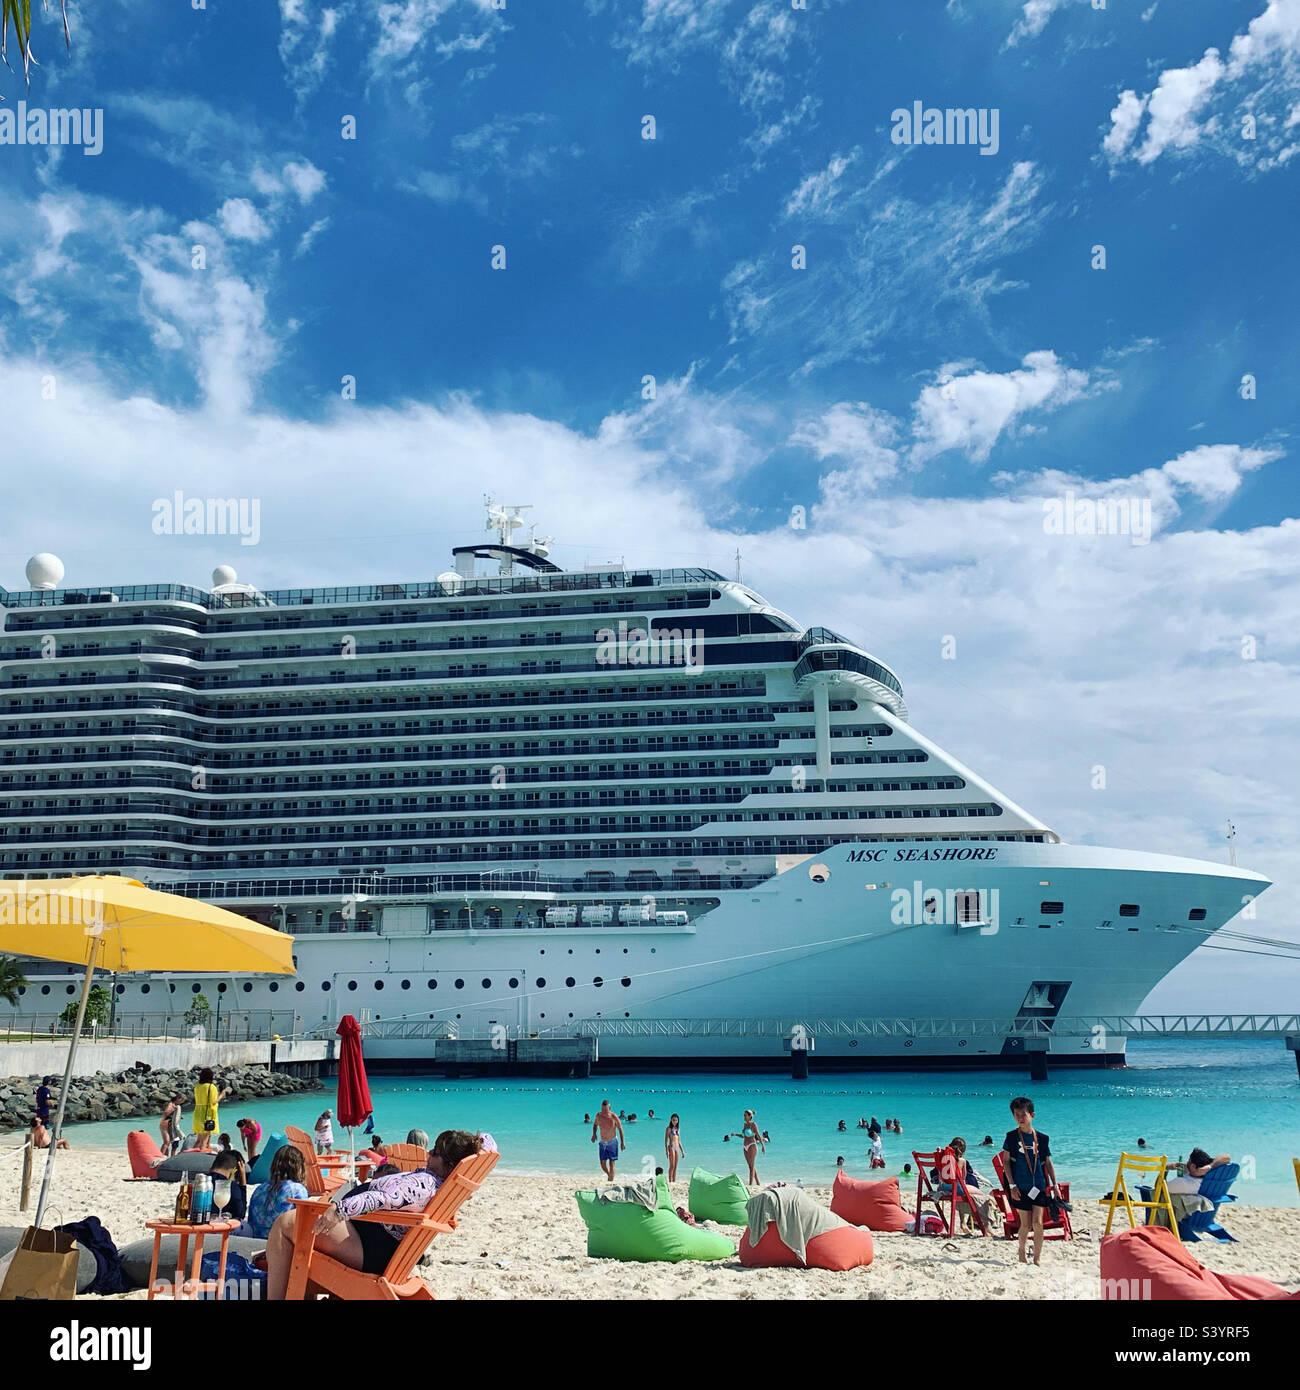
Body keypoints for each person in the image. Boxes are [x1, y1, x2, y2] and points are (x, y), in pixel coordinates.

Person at [265, 1129, 484, 1299]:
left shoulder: (423, 1185)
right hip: (378, 1243)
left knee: (285, 1224)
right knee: (297, 1229)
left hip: (369, 1247)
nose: (429, 1153)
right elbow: (487, 1141)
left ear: (450, 1164)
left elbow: (383, 1199)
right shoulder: (439, 1184)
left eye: (436, 1152)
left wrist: (338, 1210)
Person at [1002, 1097, 1059, 1265]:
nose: (1020, 1118)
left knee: (1038, 1223)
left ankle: (1037, 1258)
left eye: (1023, 1114)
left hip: (1039, 1184)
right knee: (1025, 1225)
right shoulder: (1011, 1137)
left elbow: (1048, 1161)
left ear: (1032, 1115)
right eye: (1016, 1114)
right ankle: (1021, 1251)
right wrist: (1012, 1185)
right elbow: (1006, 1161)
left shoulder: (1042, 1138)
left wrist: (1055, 1184)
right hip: (1019, 1186)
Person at [244, 1145, 309, 1240]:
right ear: (298, 1167)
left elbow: (251, 1221)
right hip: (279, 1244)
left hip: (256, 1239)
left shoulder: (260, 1188)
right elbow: (305, 1221)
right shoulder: (296, 1189)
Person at [209, 1147, 249, 1222]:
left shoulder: (203, 1180)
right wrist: (243, 1181)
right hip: (219, 1227)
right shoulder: (230, 1185)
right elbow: (240, 1213)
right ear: (234, 1171)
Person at [591, 1100, 626, 1181]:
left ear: (609, 1108)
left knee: (611, 1163)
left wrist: (622, 1143)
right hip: (603, 1142)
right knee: (602, 1163)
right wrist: (594, 1134)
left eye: (605, 1110)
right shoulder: (598, 1115)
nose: (604, 1112)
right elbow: (595, 1125)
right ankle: (609, 1174)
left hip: (612, 1141)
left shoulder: (614, 1117)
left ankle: (611, 1181)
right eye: (602, 1109)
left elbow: (620, 1129)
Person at [192, 1068, 229, 1142]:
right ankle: (203, 1151)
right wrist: (221, 1095)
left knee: (200, 1139)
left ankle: (199, 1151)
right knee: (205, 1139)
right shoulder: (211, 1087)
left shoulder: (197, 1087)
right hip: (207, 1114)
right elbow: (213, 1102)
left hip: (198, 1113)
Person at [731, 1110, 765, 1186]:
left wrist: (763, 1145)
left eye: (745, 1115)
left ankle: (750, 1185)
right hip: (745, 1146)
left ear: (750, 1116)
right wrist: (735, 1134)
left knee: (751, 1167)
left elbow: (758, 1135)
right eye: (743, 1115)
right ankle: (758, 1183)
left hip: (752, 1145)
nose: (744, 1116)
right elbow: (743, 1136)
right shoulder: (745, 1125)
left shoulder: (753, 1124)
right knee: (750, 1166)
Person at [664, 1113, 684, 1182]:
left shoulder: (678, 1129)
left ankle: (674, 1181)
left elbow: (679, 1141)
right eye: (673, 1120)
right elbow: (666, 1141)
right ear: (671, 1120)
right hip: (671, 1147)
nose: (675, 1121)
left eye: (676, 1120)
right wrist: (666, 1151)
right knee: (672, 1166)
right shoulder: (668, 1128)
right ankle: (670, 1180)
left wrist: (682, 1151)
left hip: (677, 1148)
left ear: (678, 1120)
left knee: (675, 1167)